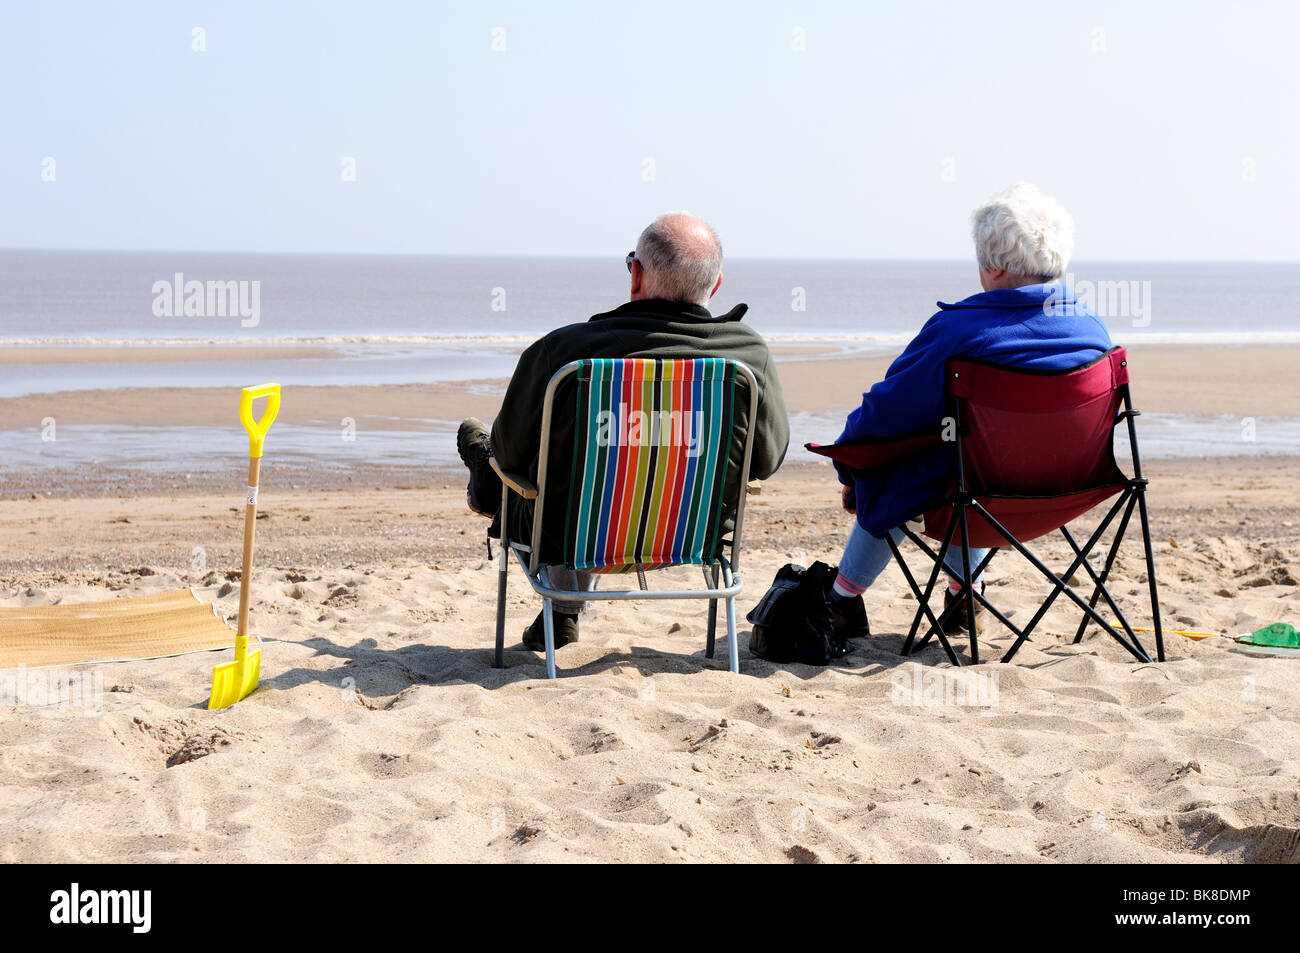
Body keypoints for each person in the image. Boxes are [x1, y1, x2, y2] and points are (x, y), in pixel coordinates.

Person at [457, 212, 790, 652]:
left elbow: (511, 455)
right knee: (606, 464)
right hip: (693, 533)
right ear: (716, 285)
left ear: (636, 275)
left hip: (571, 535)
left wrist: (493, 459)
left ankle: (483, 483)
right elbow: (766, 461)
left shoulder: (564, 351)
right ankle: (562, 611)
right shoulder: (747, 356)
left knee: (505, 459)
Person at [826, 183, 1113, 639]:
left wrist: (848, 466)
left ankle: (839, 602)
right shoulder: (1094, 334)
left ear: (994, 267)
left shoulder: (957, 331)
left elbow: (886, 413)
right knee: (961, 455)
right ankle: (967, 597)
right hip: (1067, 495)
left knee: (895, 469)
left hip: (975, 499)